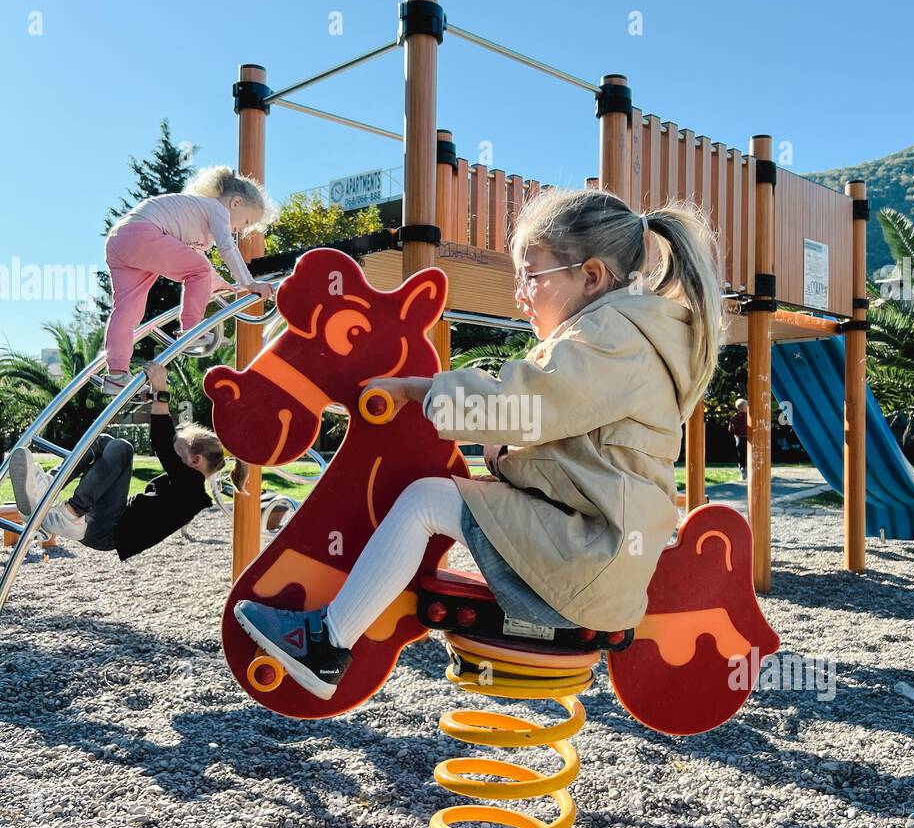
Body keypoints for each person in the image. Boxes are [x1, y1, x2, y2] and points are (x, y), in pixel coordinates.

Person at [236, 188, 723, 702]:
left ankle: (327, 643)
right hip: (592, 547)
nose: (520, 294)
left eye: (531, 276)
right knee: (457, 496)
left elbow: (521, 407)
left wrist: (416, 391)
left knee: (427, 501)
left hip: (586, 558)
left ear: (591, 275)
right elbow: (551, 429)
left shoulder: (612, 339)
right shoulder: (626, 336)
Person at [8, 364, 242, 555]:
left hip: (110, 531)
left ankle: (71, 513)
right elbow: (163, 444)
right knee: (104, 441)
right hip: (110, 521)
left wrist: (161, 391)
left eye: (178, 453)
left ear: (195, 460)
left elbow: (161, 442)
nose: (172, 456)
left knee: (122, 449)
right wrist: (151, 398)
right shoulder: (187, 484)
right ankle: (50, 486)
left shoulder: (191, 489)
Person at [100, 166, 277, 394]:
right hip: (145, 233)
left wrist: (220, 286)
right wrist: (249, 283)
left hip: (120, 241)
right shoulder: (217, 210)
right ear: (236, 203)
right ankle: (191, 330)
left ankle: (116, 374)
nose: (240, 231)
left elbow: (197, 262)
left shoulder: (193, 216)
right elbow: (226, 249)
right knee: (198, 271)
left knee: (127, 310)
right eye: (246, 222)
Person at [728, 396, 748, 479]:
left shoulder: (734, 417)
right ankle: (749, 469)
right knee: (748, 453)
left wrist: (736, 433)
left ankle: (742, 470)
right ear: (746, 407)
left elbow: (730, 428)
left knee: (741, 455)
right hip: (748, 437)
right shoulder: (748, 417)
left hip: (739, 438)